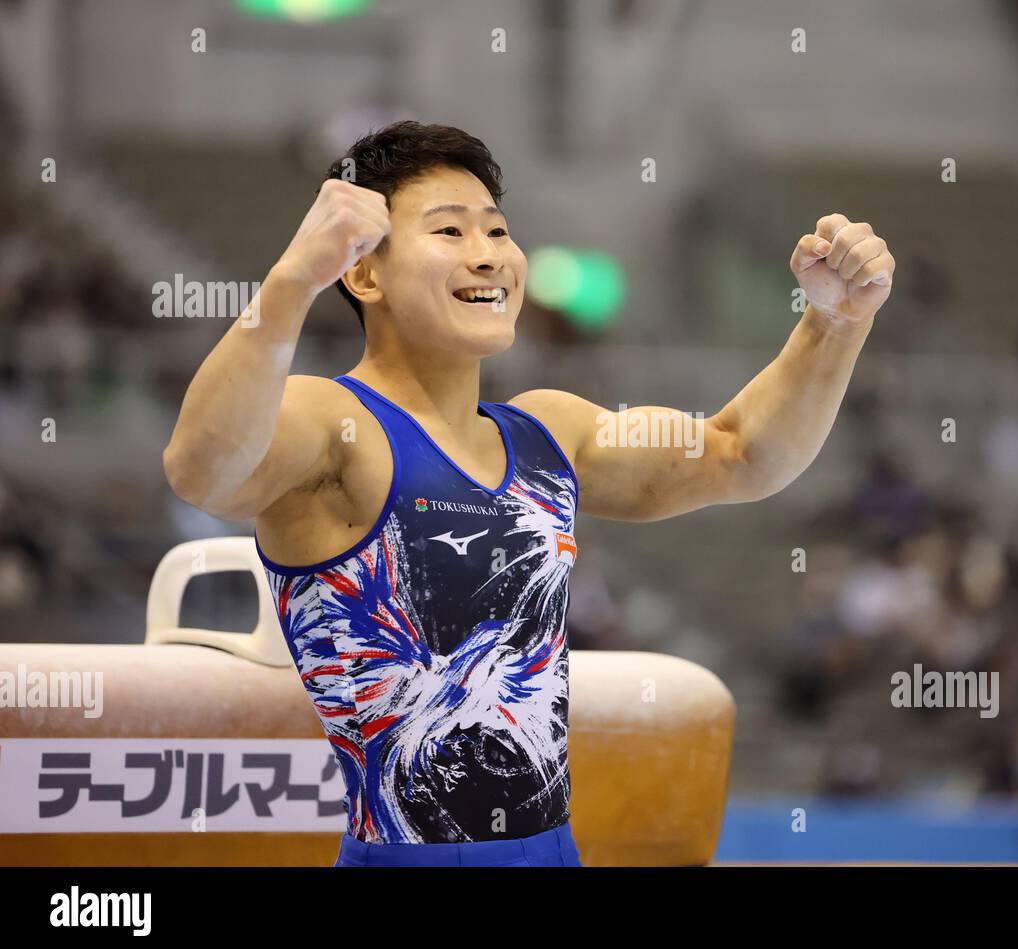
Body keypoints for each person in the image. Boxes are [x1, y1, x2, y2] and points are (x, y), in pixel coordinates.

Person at [162, 120, 895, 866]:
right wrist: (290, 282)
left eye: (498, 231)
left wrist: (835, 323)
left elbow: (743, 454)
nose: (488, 255)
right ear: (364, 273)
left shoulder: (550, 433)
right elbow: (202, 470)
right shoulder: (332, 426)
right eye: (449, 230)